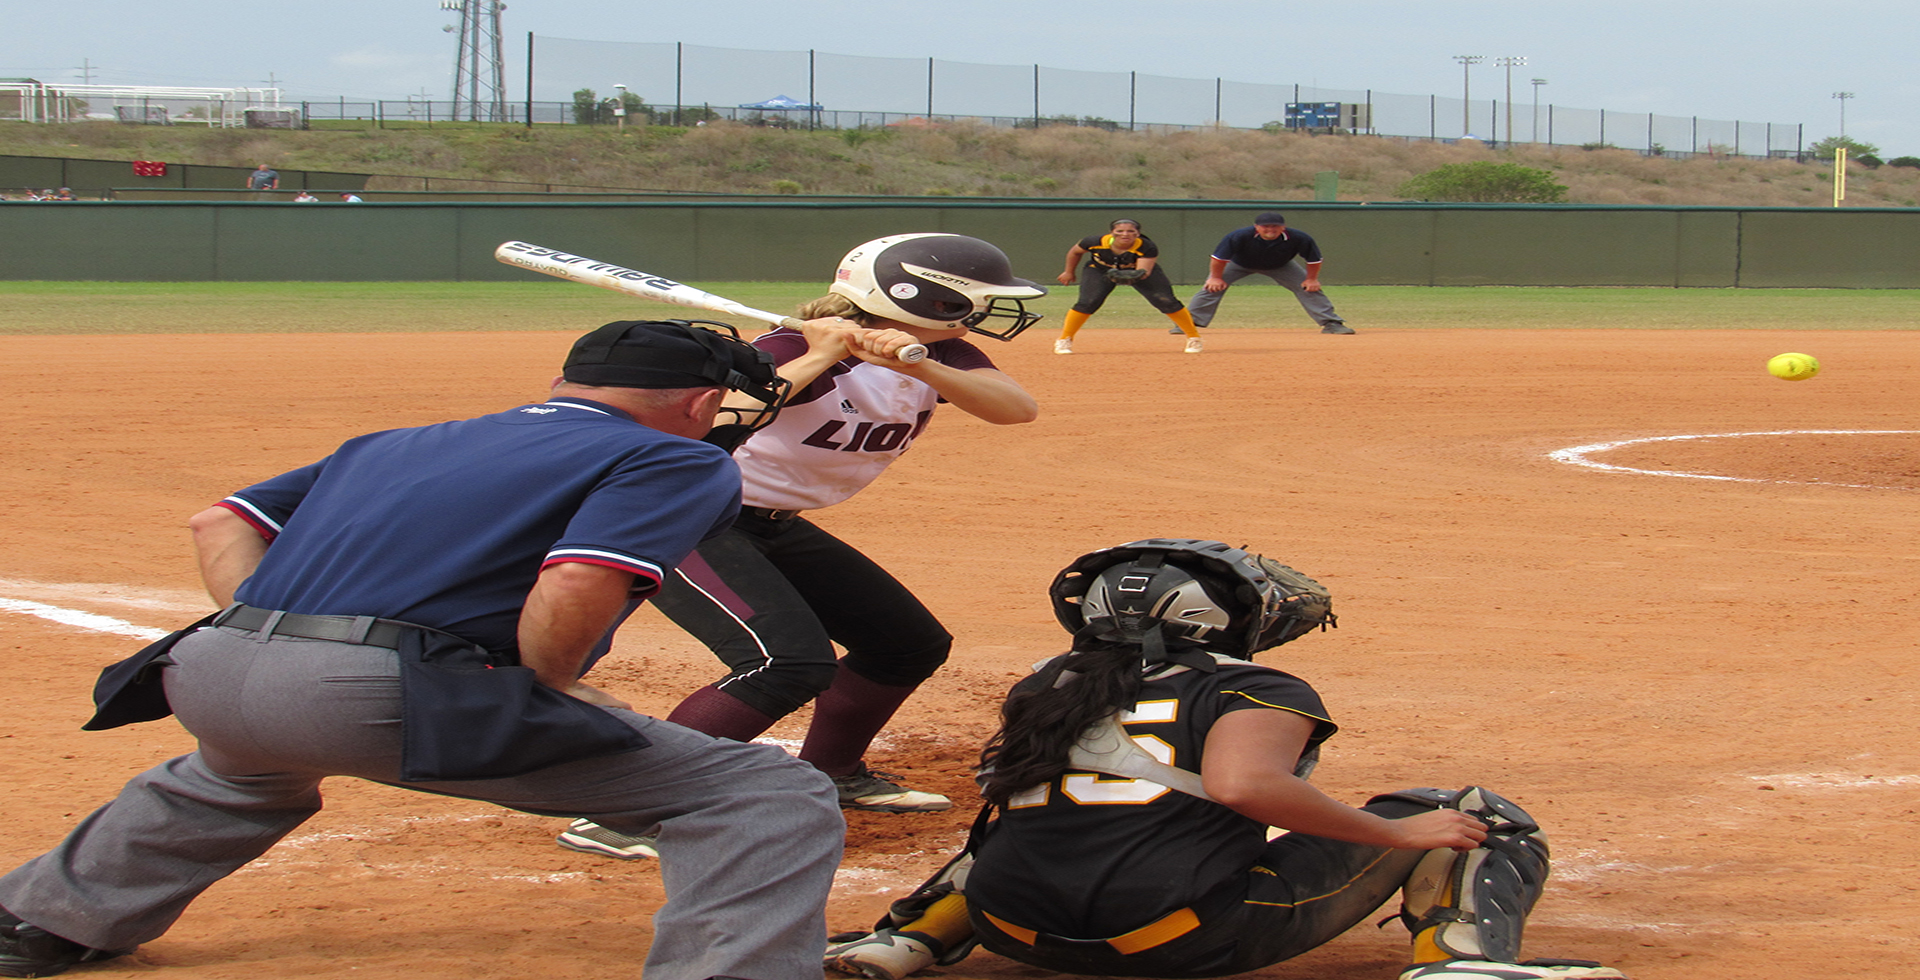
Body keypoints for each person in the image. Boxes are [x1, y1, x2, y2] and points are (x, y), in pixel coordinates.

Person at [0, 320, 847, 980]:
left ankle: (37, 922)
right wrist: (548, 685)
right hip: (370, 693)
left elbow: (219, 521)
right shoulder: (672, 456)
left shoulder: (401, 440)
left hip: (210, 669)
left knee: (238, 777)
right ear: (701, 404)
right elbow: (578, 577)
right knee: (765, 793)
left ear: (567, 383)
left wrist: (270, 634)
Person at [822, 539, 1627, 980]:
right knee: (1466, 813)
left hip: (1015, 929)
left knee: (1038, 818)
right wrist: (1396, 835)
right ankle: (1464, 965)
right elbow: (1244, 786)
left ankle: (903, 941)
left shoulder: (1047, 681)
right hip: (1174, 938)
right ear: (1209, 621)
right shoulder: (1256, 684)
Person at [558, 233, 1045, 862]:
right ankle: (624, 810)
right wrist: (820, 357)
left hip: (772, 522)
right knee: (785, 661)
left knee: (905, 644)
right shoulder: (788, 349)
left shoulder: (942, 351)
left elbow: (1016, 409)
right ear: (919, 296)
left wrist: (915, 363)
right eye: (973, 299)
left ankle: (832, 772)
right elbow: (713, 422)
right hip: (688, 518)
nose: (984, 312)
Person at [1179, 211, 1356, 335]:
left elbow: (1314, 260)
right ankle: (1188, 324)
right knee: (1211, 287)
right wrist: (1215, 277)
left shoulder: (1299, 238)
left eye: (1275, 226)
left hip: (1281, 266)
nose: (1270, 229)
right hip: (1239, 264)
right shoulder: (1239, 236)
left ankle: (1331, 323)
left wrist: (1311, 279)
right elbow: (1218, 259)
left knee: (1309, 288)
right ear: (1256, 227)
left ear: (1283, 227)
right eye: (1265, 226)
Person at [1054, 219, 1204, 355]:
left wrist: (1129, 276)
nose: (1125, 234)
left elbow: (1143, 272)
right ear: (1111, 232)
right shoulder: (1094, 241)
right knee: (1088, 302)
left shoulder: (1146, 246)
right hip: (1099, 269)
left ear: (1137, 234)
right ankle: (1065, 339)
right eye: (1119, 231)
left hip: (1135, 270)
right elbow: (1075, 252)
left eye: (1130, 231)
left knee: (1166, 301)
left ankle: (1193, 337)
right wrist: (1068, 272)